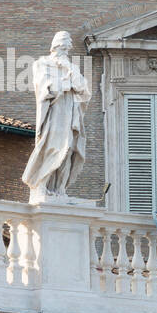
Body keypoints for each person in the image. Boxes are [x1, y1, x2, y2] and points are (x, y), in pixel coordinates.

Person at [22, 31, 92, 204]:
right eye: (65, 47)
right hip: (54, 114)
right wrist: (67, 85)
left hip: (70, 114)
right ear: (57, 45)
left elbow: (84, 90)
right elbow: (44, 88)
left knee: (68, 149)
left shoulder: (72, 67)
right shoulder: (42, 63)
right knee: (53, 146)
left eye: (68, 49)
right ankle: (40, 184)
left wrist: (68, 69)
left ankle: (59, 189)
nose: (67, 51)